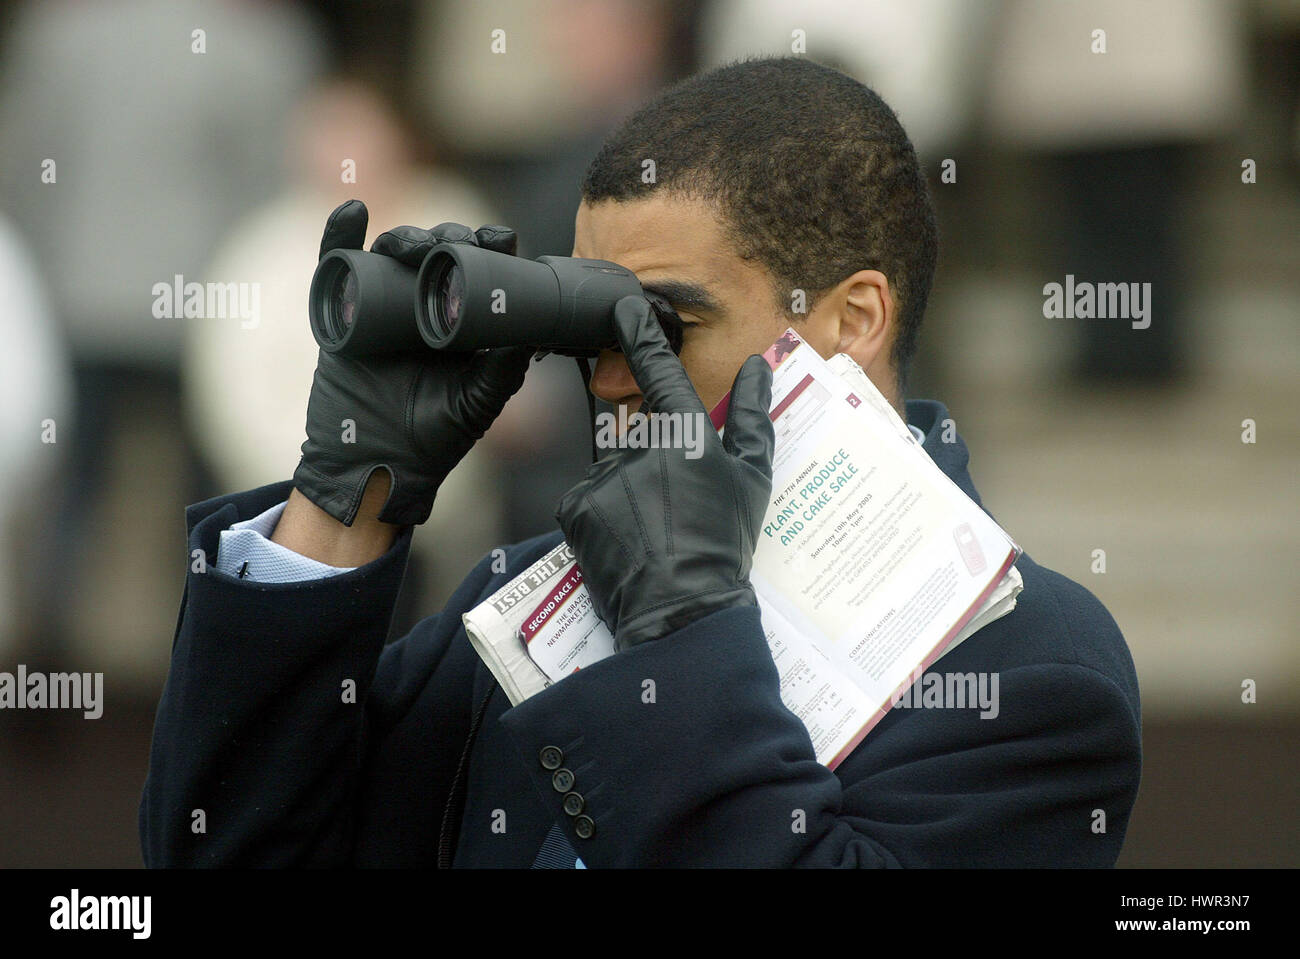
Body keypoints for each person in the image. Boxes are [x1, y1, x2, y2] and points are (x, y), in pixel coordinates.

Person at [140, 57, 1141, 868]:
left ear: (853, 319)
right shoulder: (526, 601)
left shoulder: (1027, 666)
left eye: (664, 324)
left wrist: (682, 632)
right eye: (590, 323)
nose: (616, 376)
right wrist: (341, 497)